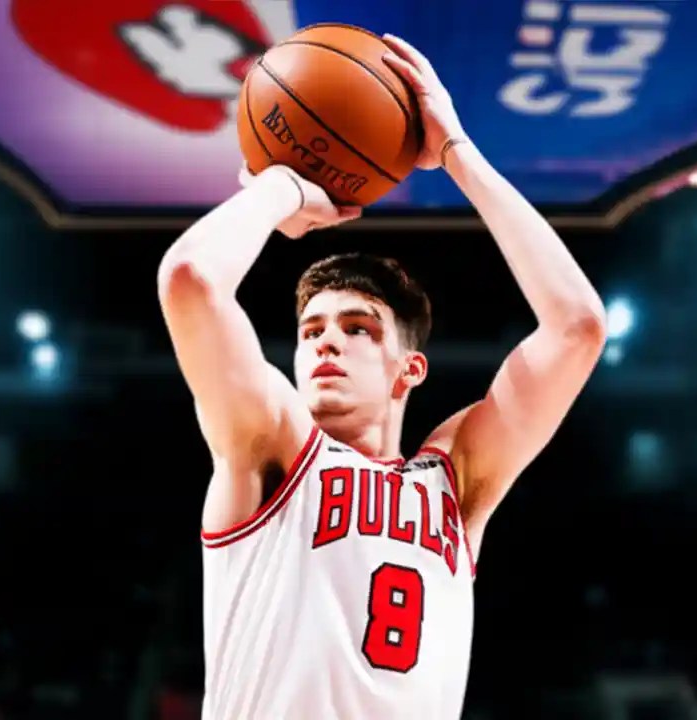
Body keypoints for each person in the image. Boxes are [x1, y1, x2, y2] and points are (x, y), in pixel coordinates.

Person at [156, 33, 607, 720]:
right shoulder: (272, 445)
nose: (326, 343)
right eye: (311, 332)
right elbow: (190, 281)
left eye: (357, 328)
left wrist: (456, 151)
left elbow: (577, 326)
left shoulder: (456, 479)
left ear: (409, 369)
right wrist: (282, 187)